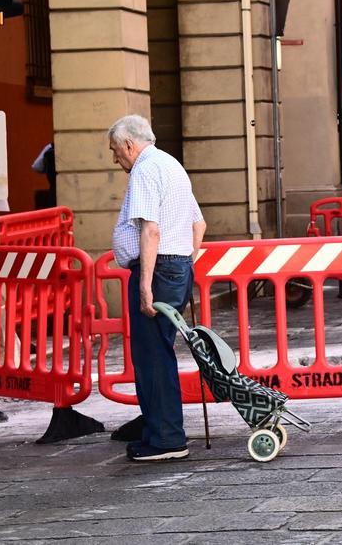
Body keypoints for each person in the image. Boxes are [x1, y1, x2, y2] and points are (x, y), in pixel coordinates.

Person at [108, 114, 205, 462]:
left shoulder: (145, 170)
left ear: (130, 145)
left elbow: (150, 230)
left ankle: (166, 439)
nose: (115, 158)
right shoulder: (171, 164)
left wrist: (147, 284)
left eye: (116, 151)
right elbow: (199, 225)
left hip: (159, 269)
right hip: (175, 266)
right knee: (158, 352)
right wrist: (184, 263)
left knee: (152, 357)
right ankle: (160, 431)